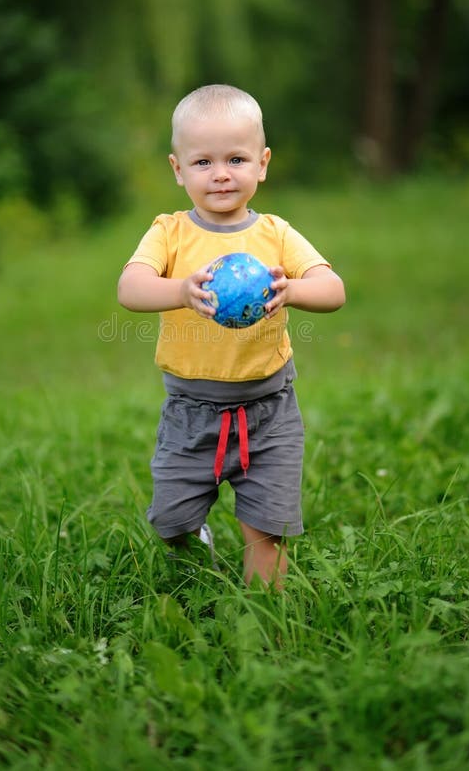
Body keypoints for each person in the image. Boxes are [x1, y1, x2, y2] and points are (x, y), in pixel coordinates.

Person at [117, 84, 345, 587]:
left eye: (236, 158)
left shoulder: (276, 234)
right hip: (191, 412)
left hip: (269, 411)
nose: (220, 173)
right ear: (178, 170)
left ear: (262, 164)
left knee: (267, 529)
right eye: (203, 162)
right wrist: (179, 290)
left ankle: (263, 625)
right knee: (172, 521)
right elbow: (130, 288)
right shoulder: (170, 232)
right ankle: (192, 540)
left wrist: (292, 290)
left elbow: (333, 289)